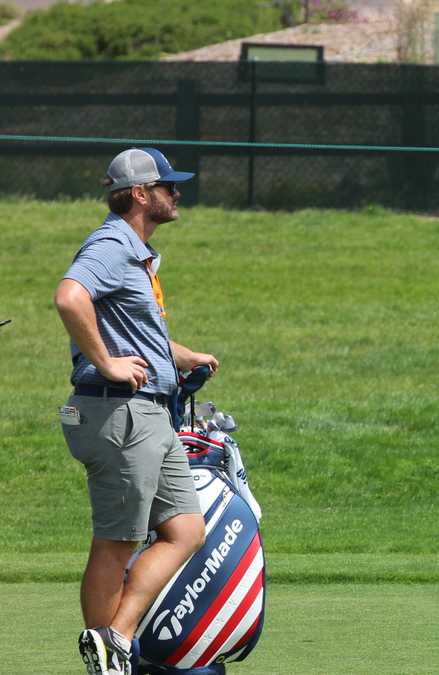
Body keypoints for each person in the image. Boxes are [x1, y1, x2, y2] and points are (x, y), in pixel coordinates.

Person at [55, 147, 218, 675]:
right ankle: (105, 656)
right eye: (169, 186)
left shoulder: (136, 250)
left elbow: (137, 334)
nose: (178, 193)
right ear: (142, 195)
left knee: (186, 529)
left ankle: (116, 638)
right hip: (120, 413)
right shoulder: (111, 244)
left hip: (148, 415)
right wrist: (108, 364)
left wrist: (184, 356)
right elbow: (70, 297)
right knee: (118, 540)